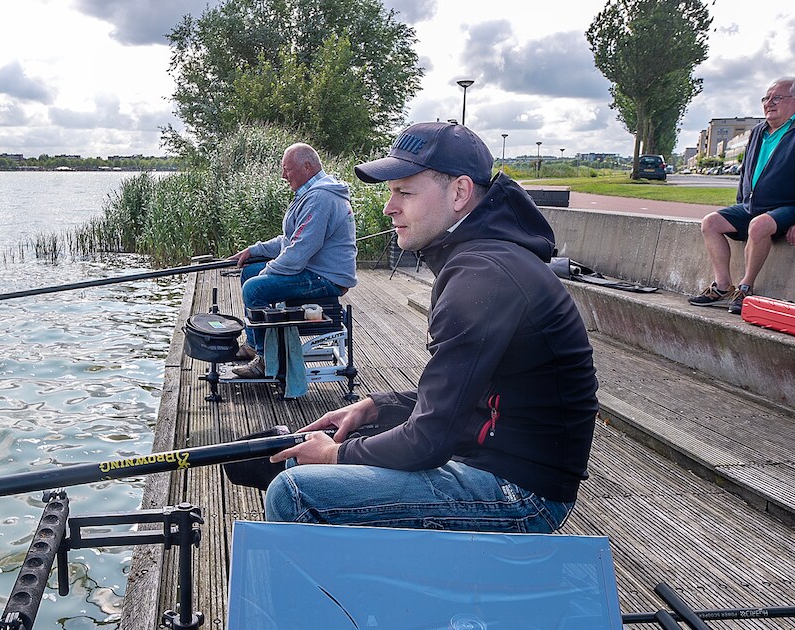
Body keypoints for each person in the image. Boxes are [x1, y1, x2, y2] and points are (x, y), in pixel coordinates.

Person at [264, 122, 599, 533]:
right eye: (391, 192)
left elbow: (430, 438)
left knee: (295, 493)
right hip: (499, 456)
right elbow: (458, 399)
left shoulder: (483, 275)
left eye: (404, 192)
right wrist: (375, 407)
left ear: (459, 193)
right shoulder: (481, 258)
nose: (389, 207)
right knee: (367, 430)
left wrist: (337, 456)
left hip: (522, 493)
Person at [688, 76, 795, 315]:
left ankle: (745, 288)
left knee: (759, 226)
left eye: (777, 97)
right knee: (710, 222)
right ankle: (723, 286)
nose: (769, 103)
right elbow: (747, 169)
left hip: (788, 206)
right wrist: (742, 200)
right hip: (752, 205)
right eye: (766, 98)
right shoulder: (759, 130)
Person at [229, 143, 357, 378]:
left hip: (327, 277)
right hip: (314, 268)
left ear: (306, 167)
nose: (283, 175)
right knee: (249, 272)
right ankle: (253, 345)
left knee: (255, 287)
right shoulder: (312, 194)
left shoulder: (320, 198)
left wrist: (267, 270)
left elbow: (299, 251)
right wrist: (254, 250)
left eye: (287, 169)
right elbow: (290, 239)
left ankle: (266, 361)